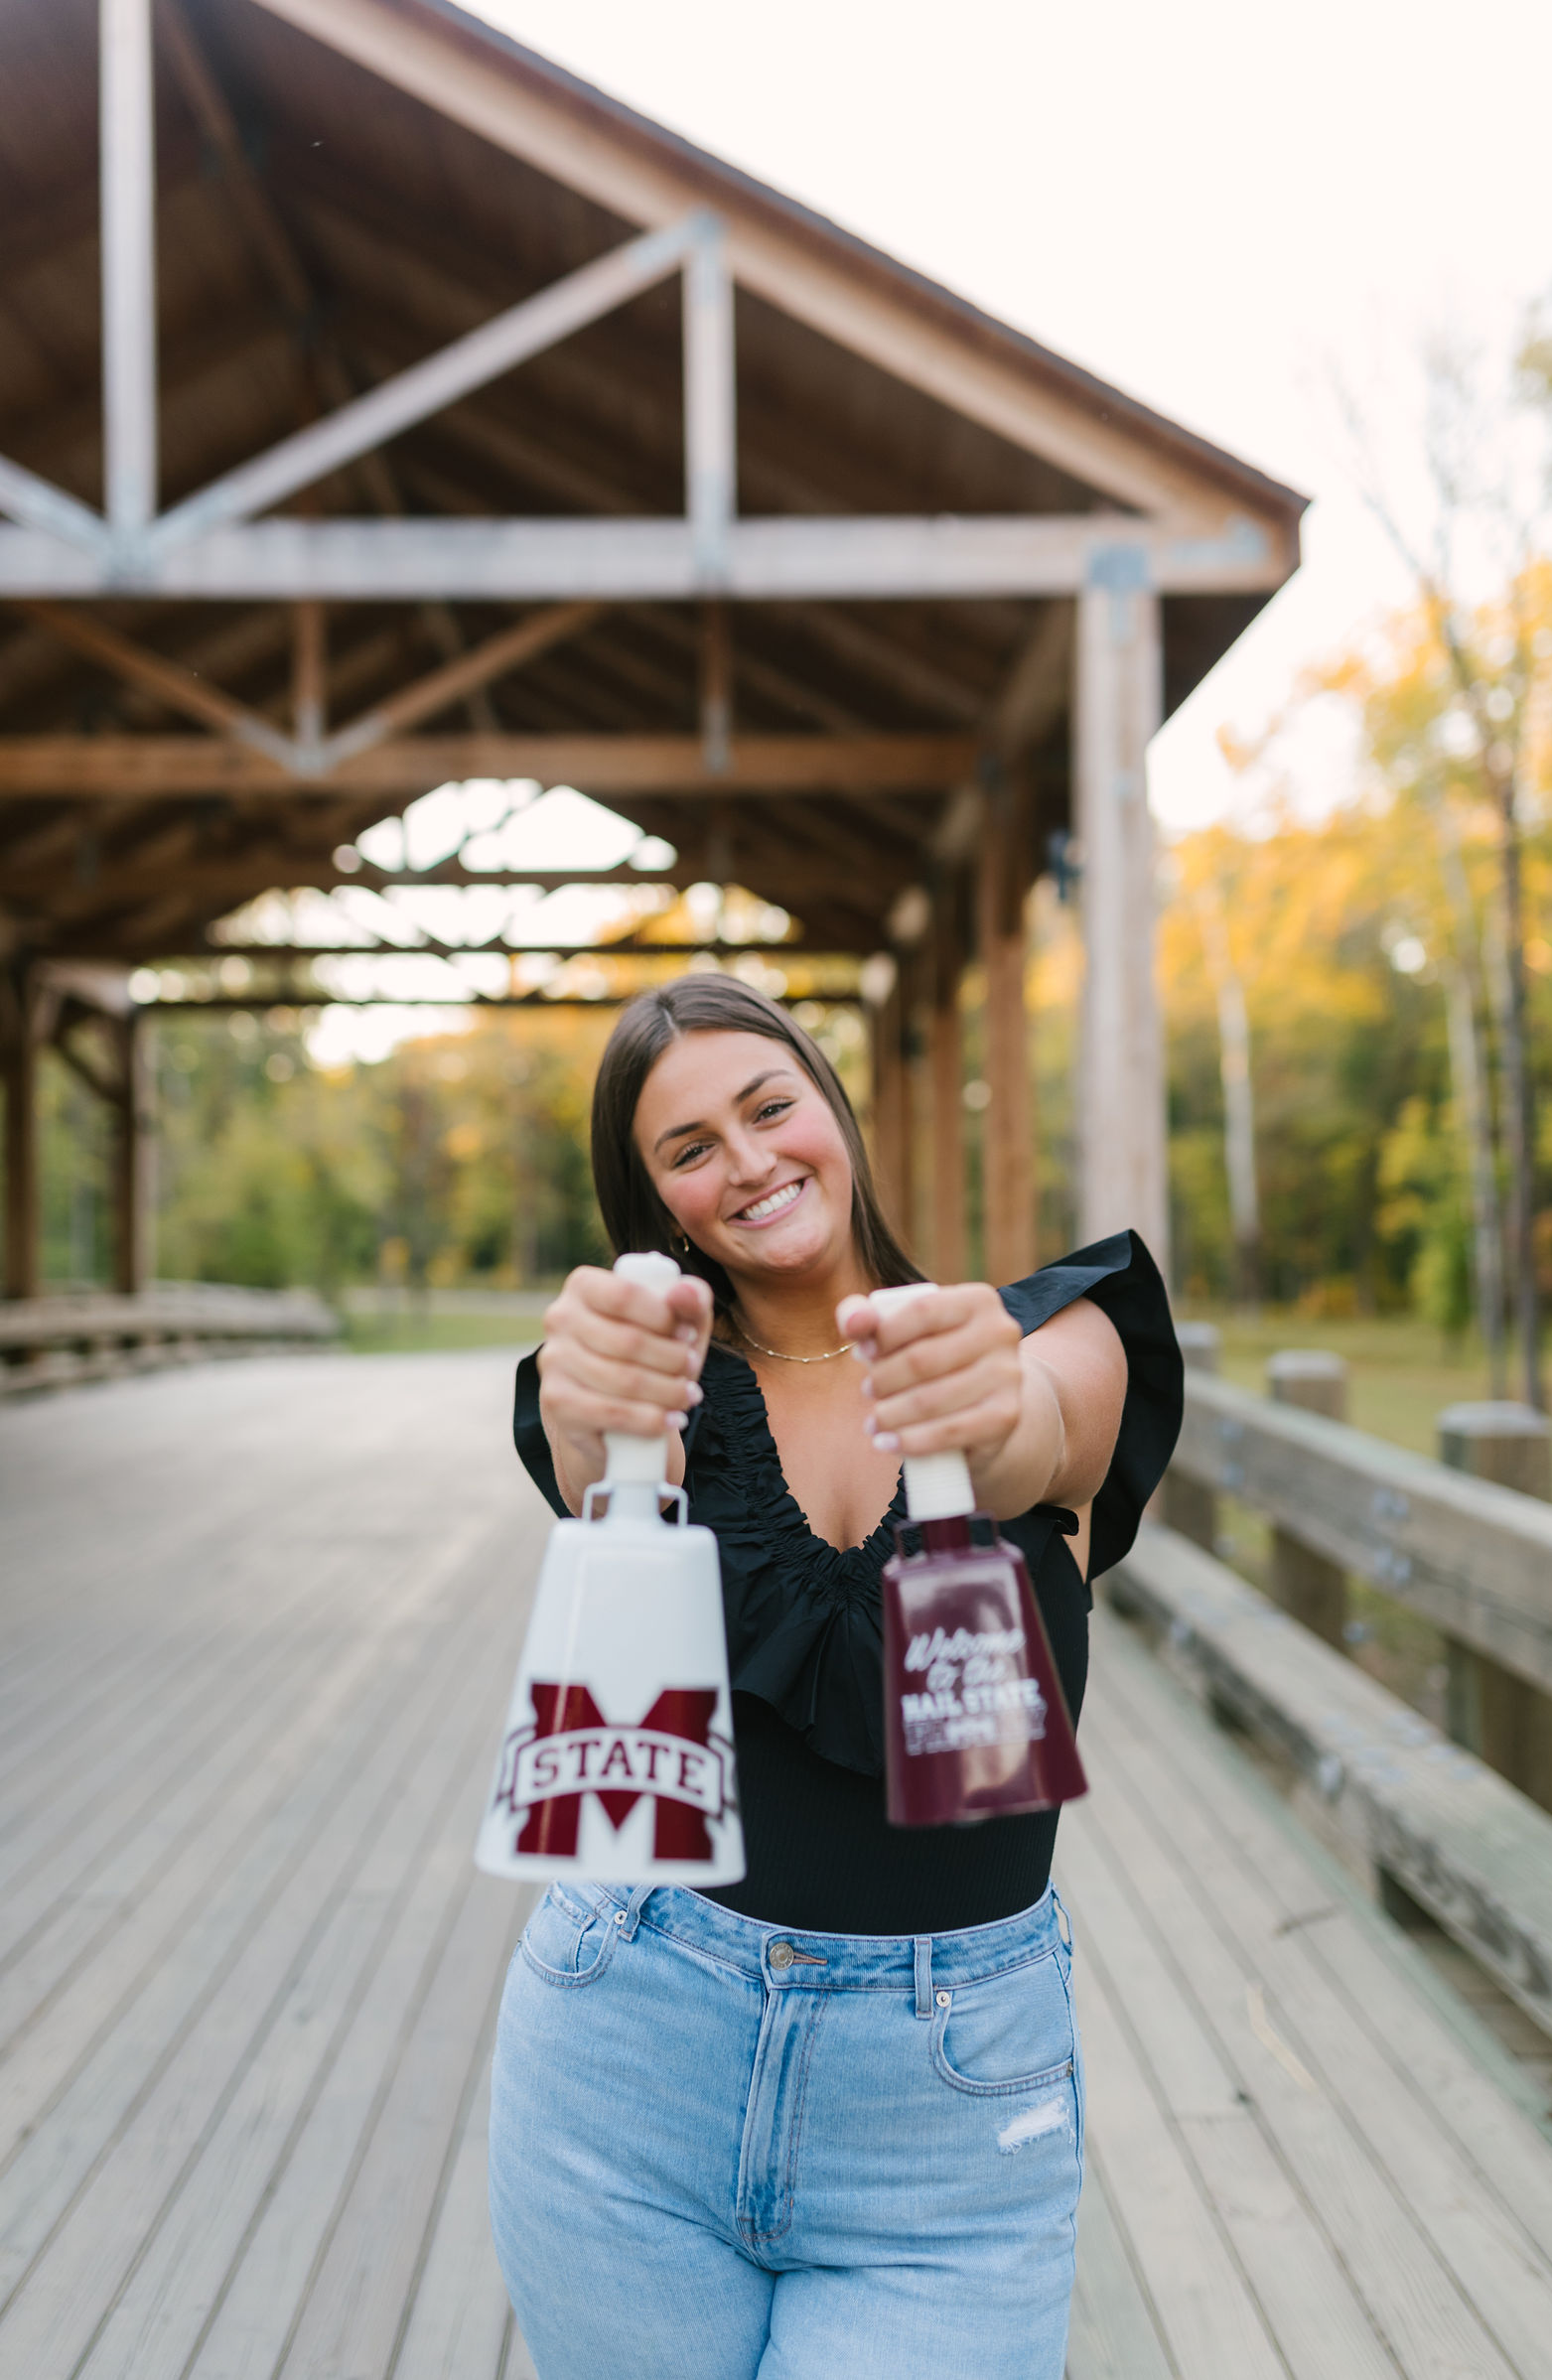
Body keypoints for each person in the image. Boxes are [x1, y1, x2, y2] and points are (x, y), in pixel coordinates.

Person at [491, 976, 1182, 2380]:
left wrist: (987, 1414)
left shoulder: (1056, 1334)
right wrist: (589, 1403)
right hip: (629, 2046)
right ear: (657, 1202)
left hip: (942, 2103)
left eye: (767, 1106)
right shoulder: (649, 1400)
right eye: (688, 1148)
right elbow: (594, 1468)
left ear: (832, 1106)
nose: (744, 1161)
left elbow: (1033, 1434)